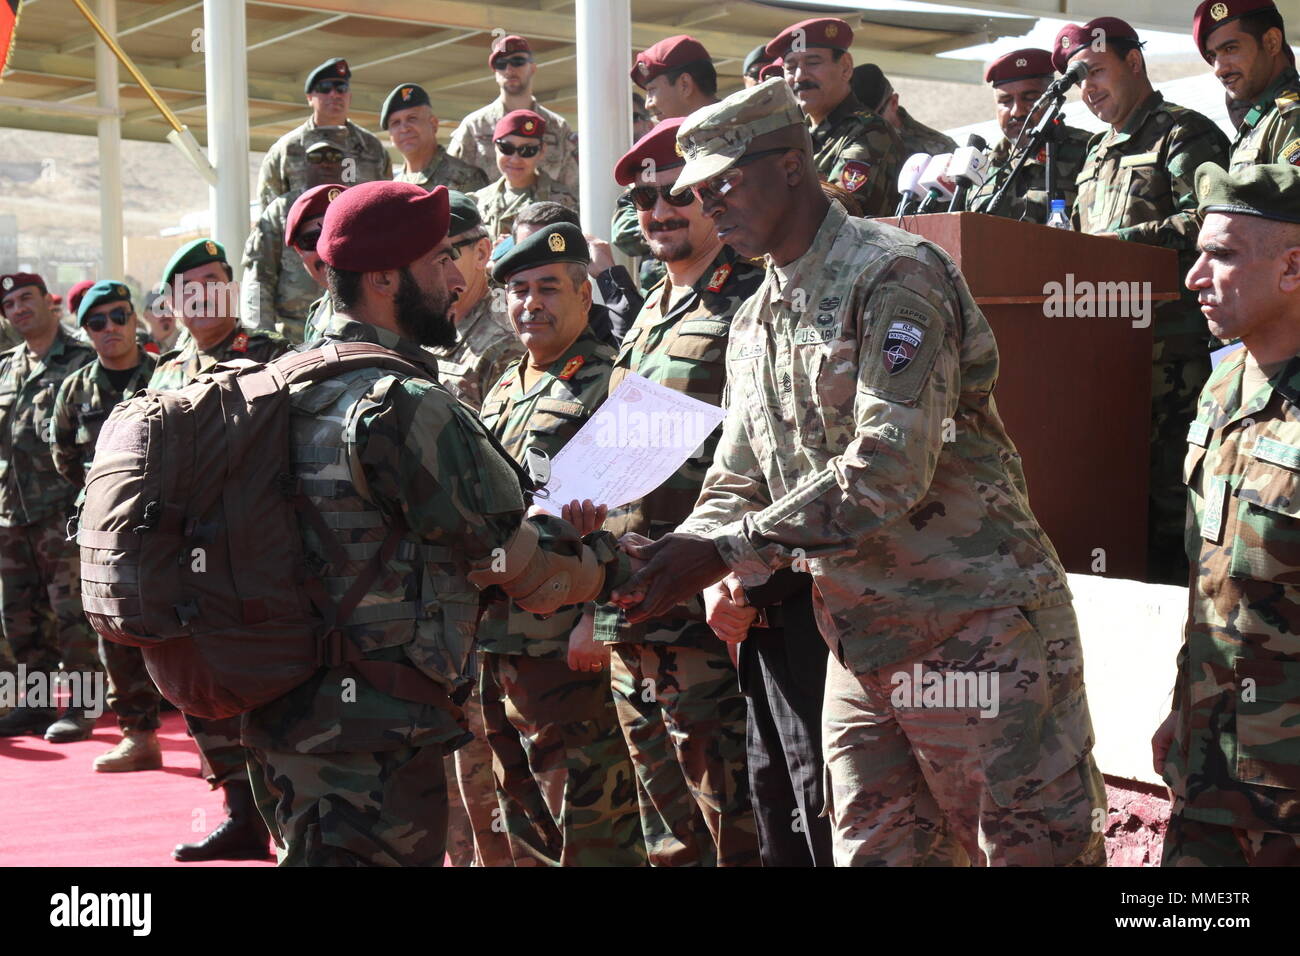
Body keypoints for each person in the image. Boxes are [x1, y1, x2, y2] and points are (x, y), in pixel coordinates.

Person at [610, 78, 1107, 867]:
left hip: (973, 631)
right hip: (860, 644)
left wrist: (727, 549)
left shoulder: (895, 275)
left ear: (794, 166)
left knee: (1026, 852)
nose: (711, 208)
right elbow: (737, 477)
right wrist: (670, 560)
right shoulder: (755, 316)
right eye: (698, 192)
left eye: (725, 184)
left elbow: (887, 468)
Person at [238, 180, 632, 866]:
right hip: (377, 733)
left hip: (289, 717)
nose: (457, 280)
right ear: (387, 278)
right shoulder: (407, 403)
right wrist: (615, 567)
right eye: (438, 262)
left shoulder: (283, 383)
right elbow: (512, 560)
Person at [596, 118, 764, 867]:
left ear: (712, 195)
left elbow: (768, 451)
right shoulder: (647, 314)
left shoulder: (750, 300)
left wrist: (741, 575)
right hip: (631, 604)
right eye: (643, 199)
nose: (659, 211)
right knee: (661, 828)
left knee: (734, 814)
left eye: (676, 194)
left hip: (704, 602)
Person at [474, 222, 645, 867]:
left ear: (584, 293)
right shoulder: (504, 388)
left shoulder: (612, 386)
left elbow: (635, 521)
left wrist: (601, 625)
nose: (530, 304)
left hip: (567, 645)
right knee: (523, 818)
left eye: (548, 287)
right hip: (498, 639)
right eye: (518, 291)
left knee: (590, 821)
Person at [1153, 161, 1300, 866]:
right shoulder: (1222, 385)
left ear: (1292, 267)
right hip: (1208, 770)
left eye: (1222, 254)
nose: (1194, 276)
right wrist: (1183, 709)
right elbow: (1211, 582)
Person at [1060, 17, 1232, 586]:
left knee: (1170, 509)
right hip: (1107, 359)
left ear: (1134, 62)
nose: (1088, 89)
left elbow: (1214, 221)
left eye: (1097, 72)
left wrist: (1121, 244)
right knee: (1116, 506)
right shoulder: (1091, 155)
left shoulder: (1183, 133)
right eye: (1078, 79)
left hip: (1172, 360)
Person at [150, 238, 288, 862]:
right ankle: (239, 812)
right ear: (174, 301)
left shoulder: (272, 356)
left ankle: (287, 822)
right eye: (191, 285)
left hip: (254, 561)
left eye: (216, 280)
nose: (205, 294)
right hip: (183, 564)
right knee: (200, 695)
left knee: (269, 699)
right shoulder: (165, 369)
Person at [48, 281, 161, 770]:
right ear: (86, 331)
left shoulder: (168, 374)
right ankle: (138, 734)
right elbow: (64, 455)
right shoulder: (75, 388)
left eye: (119, 316)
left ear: (134, 319)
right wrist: (106, 497)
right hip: (108, 531)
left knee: (190, 624)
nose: (110, 328)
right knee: (113, 629)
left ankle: (213, 740)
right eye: (97, 322)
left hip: (171, 524)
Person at [0, 273, 98, 742]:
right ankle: (34, 704)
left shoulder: (82, 360)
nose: (19, 308)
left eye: (26, 298)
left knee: (73, 615)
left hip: (62, 511)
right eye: (10, 304)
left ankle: (84, 707)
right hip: (10, 514)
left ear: (47, 303)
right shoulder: (5, 369)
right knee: (19, 617)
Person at [616, 36, 721, 298]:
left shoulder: (745, 141)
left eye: (652, 90)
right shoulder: (656, 150)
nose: (649, 103)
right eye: (647, 197)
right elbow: (622, 228)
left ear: (685, 84)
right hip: (671, 288)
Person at [766, 17, 903, 215]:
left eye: (813, 63)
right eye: (790, 67)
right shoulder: (792, 134)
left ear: (846, 67)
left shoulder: (868, 131)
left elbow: (839, 211)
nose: (799, 77)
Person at [963, 49, 1092, 223]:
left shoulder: (1089, 151)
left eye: (1030, 97)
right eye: (1005, 101)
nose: (1017, 111)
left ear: (1053, 100)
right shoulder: (981, 166)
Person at [242, 142, 347, 342]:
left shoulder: (359, 207)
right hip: (293, 340)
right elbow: (258, 278)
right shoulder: (281, 211)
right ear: (304, 166)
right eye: (317, 158)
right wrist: (261, 340)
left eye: (335, 159)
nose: (326, 164)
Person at [429, 192, 523, 413]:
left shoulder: (506, 343)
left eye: (446, 255)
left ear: (481, 253)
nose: (431, 267)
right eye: (421, 255)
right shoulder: (414, 323)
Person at [256, 57, 391, 210]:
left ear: (350, 96)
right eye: (325, 88)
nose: (334, 94)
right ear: (309, 98)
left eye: (341, 88)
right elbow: (268, 208)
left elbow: (386, 202)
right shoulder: (286, 149)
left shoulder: (372, 147)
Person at [449, 35, 579, 190]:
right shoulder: (474, 126)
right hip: (489, 211)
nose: (509, 69)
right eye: (501, 64)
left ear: (532, 68)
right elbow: (452, 182)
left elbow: (573, 186)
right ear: (495, 73)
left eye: (518, 62)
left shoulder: (558, 127)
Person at [511, 202, 640, 348]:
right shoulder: (514, 311)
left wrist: (609, 275)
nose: (532, 304)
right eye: (523, 253)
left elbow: (636, 350)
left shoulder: (600, 324)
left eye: (545, 253)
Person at [1194, 0, 1300, 171]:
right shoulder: (1260, 120)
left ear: (1271, 42)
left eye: (1230, 49)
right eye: (1213, 56)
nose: (1219, 70)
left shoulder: (1291, 117)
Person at [470, 110, 579, 244]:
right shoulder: (476, 202)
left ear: (542, 150)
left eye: (527, 150)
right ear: (495, 147)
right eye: (506, 148)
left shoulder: (566, 202)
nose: (515, 159)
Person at [382, 83, 488, 194]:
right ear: (390, 135)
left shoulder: (465, 178)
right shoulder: (395, 186)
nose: (404, 129)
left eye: (412, 118)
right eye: (395, 123)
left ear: (433, 124)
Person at [850, 63, 957, 158]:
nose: (864, 125)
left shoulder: (939, 149)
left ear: (894, 103)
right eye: (857, 119)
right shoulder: (848, 141)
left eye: (873, 117)